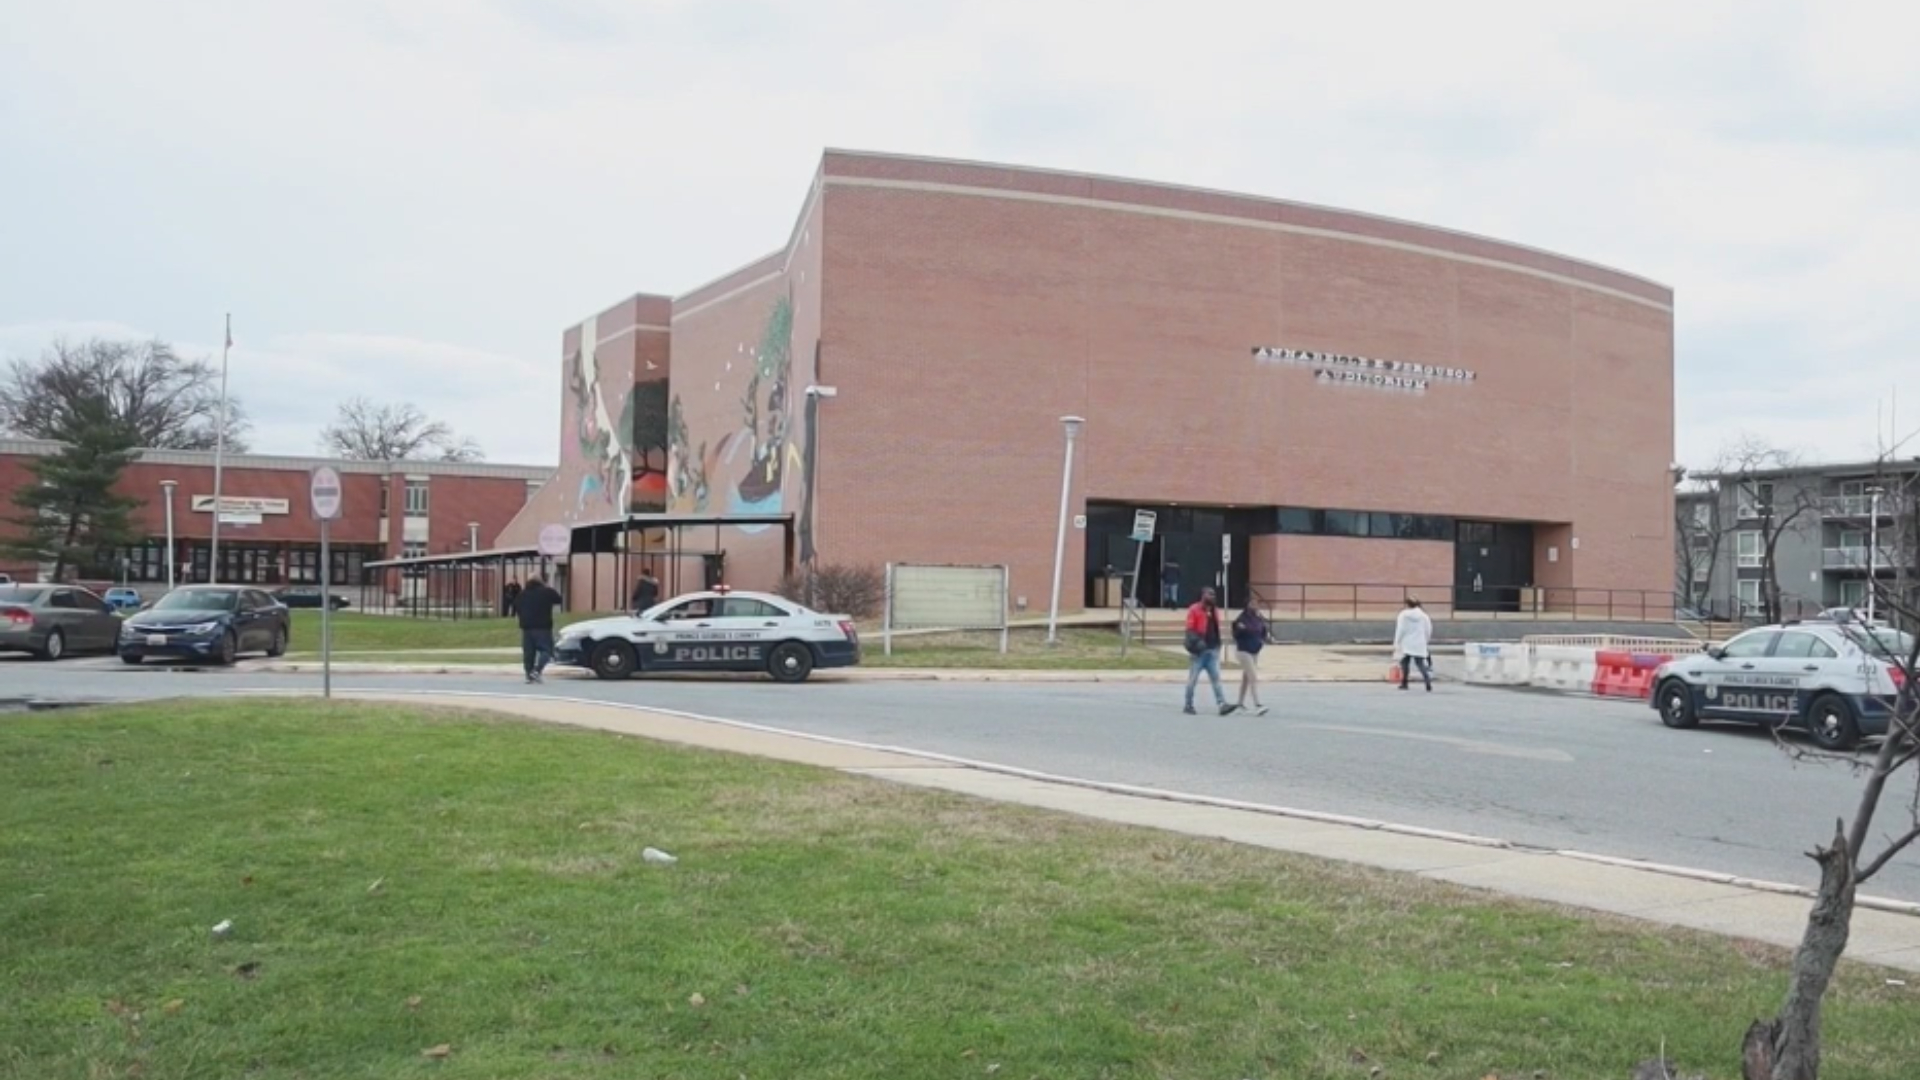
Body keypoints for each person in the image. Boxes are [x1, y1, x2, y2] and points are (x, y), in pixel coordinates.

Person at [1183, 587, 1238, 716]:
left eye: (1214, 595)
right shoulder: (1194, 609)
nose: (1213, 597)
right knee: (1192, 680)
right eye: (1210, 594)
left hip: (1212, 650)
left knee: (1216, 680)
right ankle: (1188, 704)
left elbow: (1216, 628)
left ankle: (1222, 704)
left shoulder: (1215, 611)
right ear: (1203, 595)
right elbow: (1189, 630)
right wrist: (1198, 642)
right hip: (1199, 652)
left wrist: (1219, 644)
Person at [514, 574, 564, 684]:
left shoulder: (522, 594)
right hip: (543, 627)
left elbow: (516, 607)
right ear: (541, 581)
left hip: (526, 627)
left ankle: (529, 674)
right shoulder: (546, 592)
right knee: (547, 651)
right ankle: (537, 670)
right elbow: (558, 599)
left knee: (528, 653)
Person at [1231, 602, 1270, 715]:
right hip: (1243, 651)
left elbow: (1263, 631)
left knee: (1246, 678)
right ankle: (1257, 704)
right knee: (1253, 676)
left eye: (1257, 604)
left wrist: (1262, 641)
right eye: (1252, 604)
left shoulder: (1258, 619)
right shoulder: (1242, 619)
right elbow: (1236, 632)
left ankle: (1240, 704)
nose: (1255, 607)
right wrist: (1242, 629)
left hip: (1254, 651)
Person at [1393, 597, 1434, 692]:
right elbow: (1428, 629)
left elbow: (1400, 630)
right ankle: (1427, 682)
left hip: (1406, 642)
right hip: (1419, 642)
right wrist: (1426, 640)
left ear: (1407, 604)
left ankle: (1404, 682)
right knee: (1420, 664)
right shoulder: (1424, 616)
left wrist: (1397, 642)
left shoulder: (1403, 615)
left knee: (1404, 663)